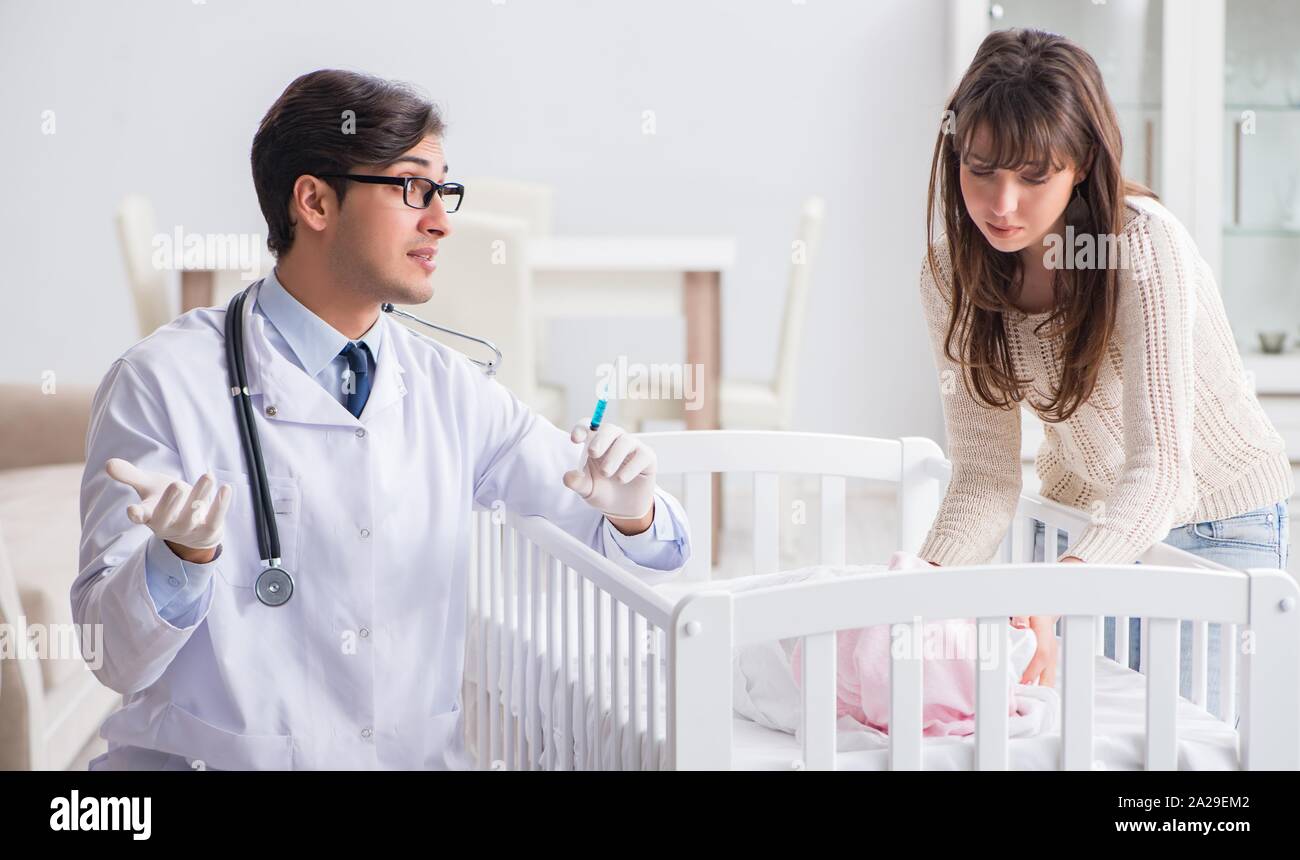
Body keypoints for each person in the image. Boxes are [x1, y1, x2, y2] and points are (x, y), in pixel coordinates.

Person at [73, 69, 691, 770]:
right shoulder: (162, 382)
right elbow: (110, 656)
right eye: (411, 188)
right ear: (314, 201)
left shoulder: (451, 388)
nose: (442, 220)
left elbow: (641, 548)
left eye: (443, 191)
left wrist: (635, 510)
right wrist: (177, 563)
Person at [915, 30, 1292, 714]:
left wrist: (1056, 589)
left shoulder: (1141, 246)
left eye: (1034, 176)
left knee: (1193, 755)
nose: (1002, 205)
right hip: (1082, 520)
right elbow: (985, 476)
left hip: (1217, 521)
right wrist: (917, 589)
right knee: (1084, 736)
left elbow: (1163, 472)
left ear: (1081, 162)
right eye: (981, 169)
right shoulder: (952, 272)